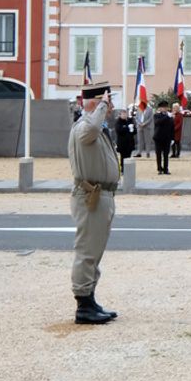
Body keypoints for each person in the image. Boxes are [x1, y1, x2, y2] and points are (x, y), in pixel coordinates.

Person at [67, 83, 120, 325]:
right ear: (94, 103)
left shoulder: (96, 126)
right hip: (91, 196)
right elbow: (88, 131)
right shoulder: (84, 126)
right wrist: (101, 106)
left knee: (94, 252)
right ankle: (83, 305)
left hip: (102, 195)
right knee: (87, 251)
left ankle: (90, 298)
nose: (109, 107)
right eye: (106, 102)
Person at [152, 102, 174, 175]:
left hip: (167, 138)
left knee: (166, 154)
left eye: (166, 107)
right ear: (160, 108)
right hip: (158, 138)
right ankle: (159, 168)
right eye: (163, 107)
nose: (165, 109)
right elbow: (158, 122)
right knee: (158, 154)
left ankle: (165, 169)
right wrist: (167, 116)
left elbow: (172, 127)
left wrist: (172, 138)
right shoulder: (156, 115)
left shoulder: (169, 116)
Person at [114, 108, 137, 173]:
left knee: (128, 156)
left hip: (129, 142)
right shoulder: (118, 121)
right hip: (122, 143)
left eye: (125, 114)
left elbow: (135, 131)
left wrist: (133, 129)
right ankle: (123, 169)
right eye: (123, 114)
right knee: (123, 157)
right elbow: (119, 130)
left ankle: (127, 169)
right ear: (120, 115)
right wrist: (127, 128)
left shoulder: (130, 121)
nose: (124, 115)